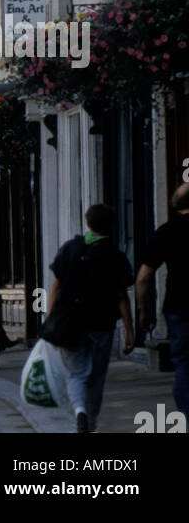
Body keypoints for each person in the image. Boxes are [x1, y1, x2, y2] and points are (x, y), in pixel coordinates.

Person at [48, 203, 134, 433]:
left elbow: (56, 285)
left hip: (70, 324)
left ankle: (79, 412)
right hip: (101, 325)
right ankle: (90, 423)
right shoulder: (114, 255)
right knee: (96, 377)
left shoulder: (70, 249)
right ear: (111, 225)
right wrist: (130, 331)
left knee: (75, 374)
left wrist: (50, 318)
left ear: (88, 222)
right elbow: (121, 296)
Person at [135, 182, 189, 417]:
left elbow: (143, 277)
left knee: (185, 363)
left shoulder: (166, 232)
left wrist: (143, 310)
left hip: (179, 306)